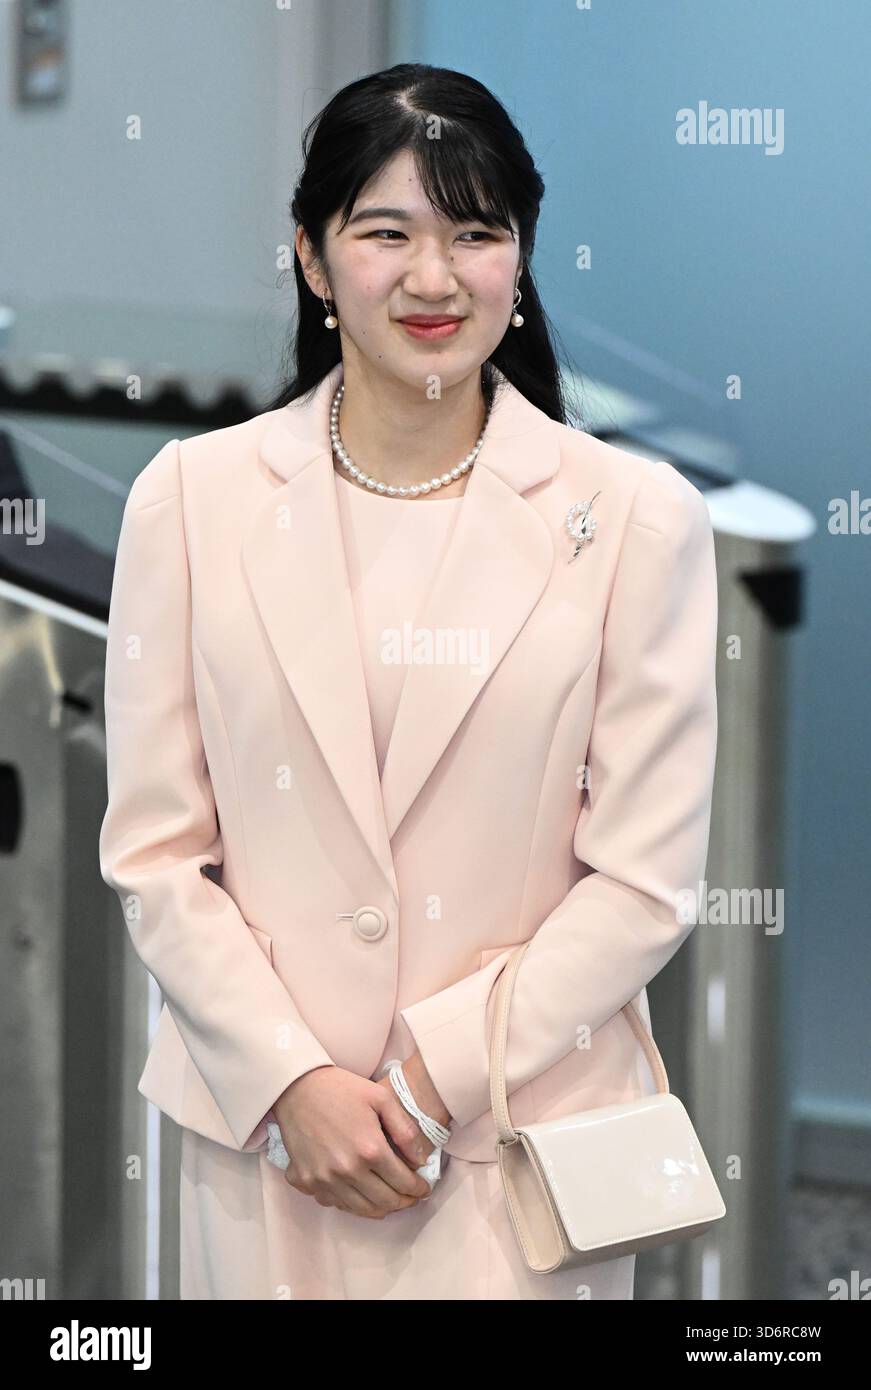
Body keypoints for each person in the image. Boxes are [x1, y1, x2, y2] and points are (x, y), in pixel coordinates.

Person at [98, 62, 718, 1300]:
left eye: (476, 235)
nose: (434, 279)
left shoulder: (635, 517)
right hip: (270, 1146)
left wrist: (427, 1085)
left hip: (515, 1142)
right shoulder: (193, 497)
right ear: (315, 262)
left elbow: (644, 881)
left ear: (520, 260)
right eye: (386, 234)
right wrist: (292, 1082)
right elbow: (157, 854)